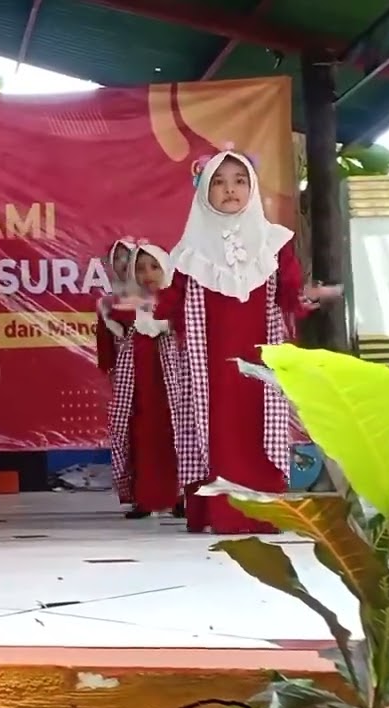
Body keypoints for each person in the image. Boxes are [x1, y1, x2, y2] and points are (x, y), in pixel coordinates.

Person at [118, 150, 340, 534]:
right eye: (218, 182)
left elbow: (289, 292)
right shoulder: (188, 253)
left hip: (259, 358)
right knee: (216, 431)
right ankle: (223, 513)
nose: (230, 189)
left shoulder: (274, 243)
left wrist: (307, 297)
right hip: (211, 367)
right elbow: (173, 300)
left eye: (239, 180)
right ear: (204, 191)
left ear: (252, 188)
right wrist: (143, 314)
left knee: (261, 428)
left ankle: (264, 513)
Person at [104, 244, 188, 519]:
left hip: (172, 384)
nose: (147, 274)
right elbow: (118, 324)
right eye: (140, 268)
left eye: (154, 267)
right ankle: (144, 498)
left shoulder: (180, 302)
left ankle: (181, 496)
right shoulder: (126, 302)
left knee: (177, 434)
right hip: (141, 385)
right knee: (141, 436)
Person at [95, 237, 137, 375]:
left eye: (129, 256)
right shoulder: (106, 304)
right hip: (124, 376)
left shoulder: (157, 298)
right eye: (118, 257)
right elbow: (105, 349)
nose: (124, 261)